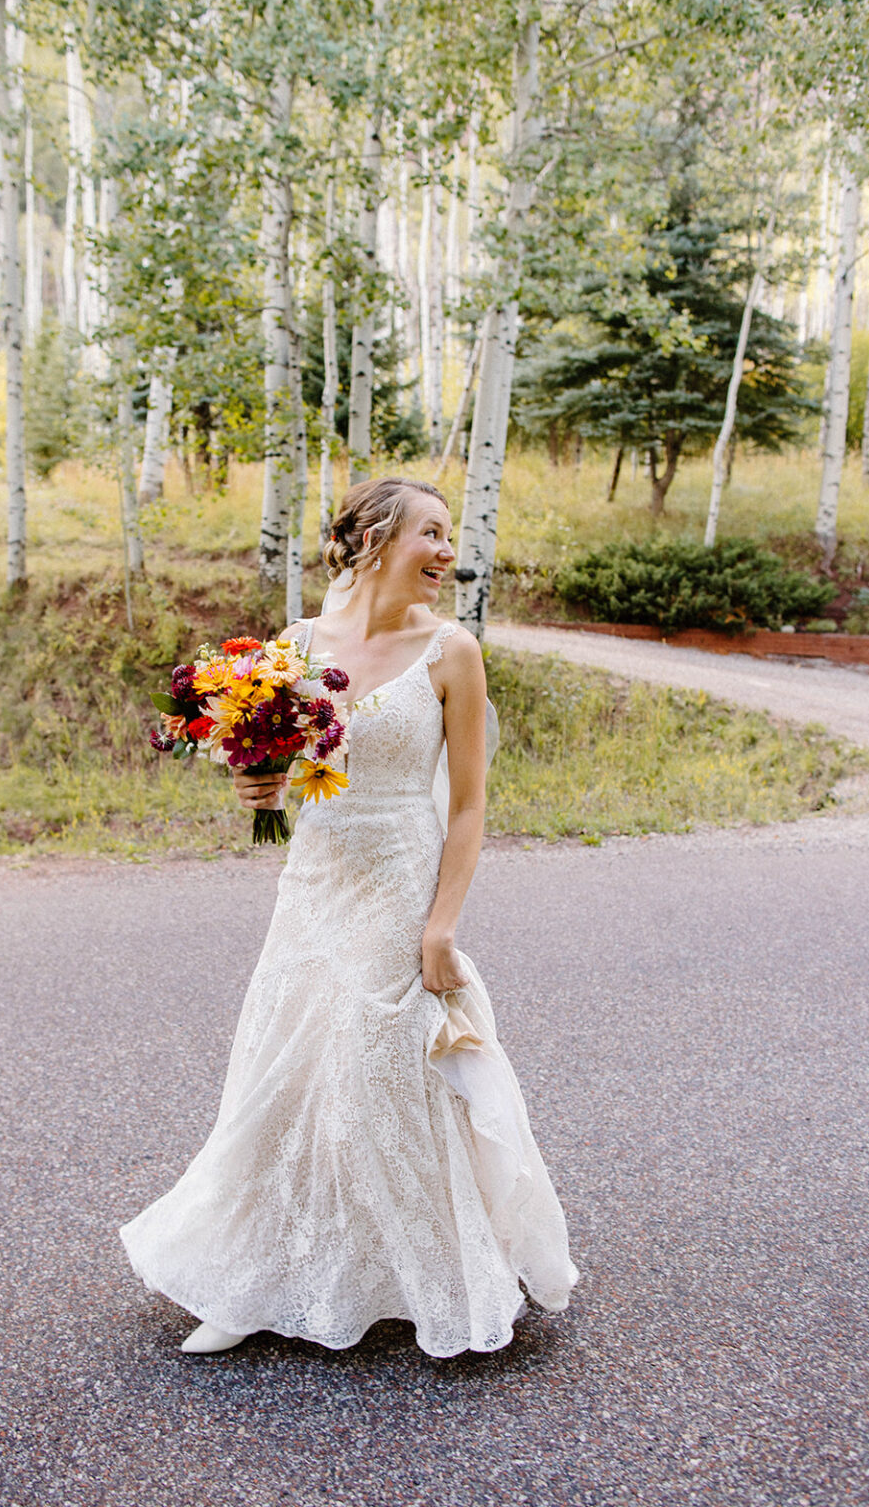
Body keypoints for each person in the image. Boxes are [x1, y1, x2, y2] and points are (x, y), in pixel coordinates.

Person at [120, 476, 578, 1357]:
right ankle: (248, 1279)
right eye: (432, 534)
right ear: (372, 538)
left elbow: (472, 806)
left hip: (400, 877)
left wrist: (441, 925)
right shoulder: (294, 645)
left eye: (453, 537)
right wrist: (254, 782)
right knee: (282, 1065)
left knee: (375, 1068)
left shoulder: (452, 652)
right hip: (315, 877)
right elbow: (277, 770)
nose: (449, 553)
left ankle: (421, 1270)